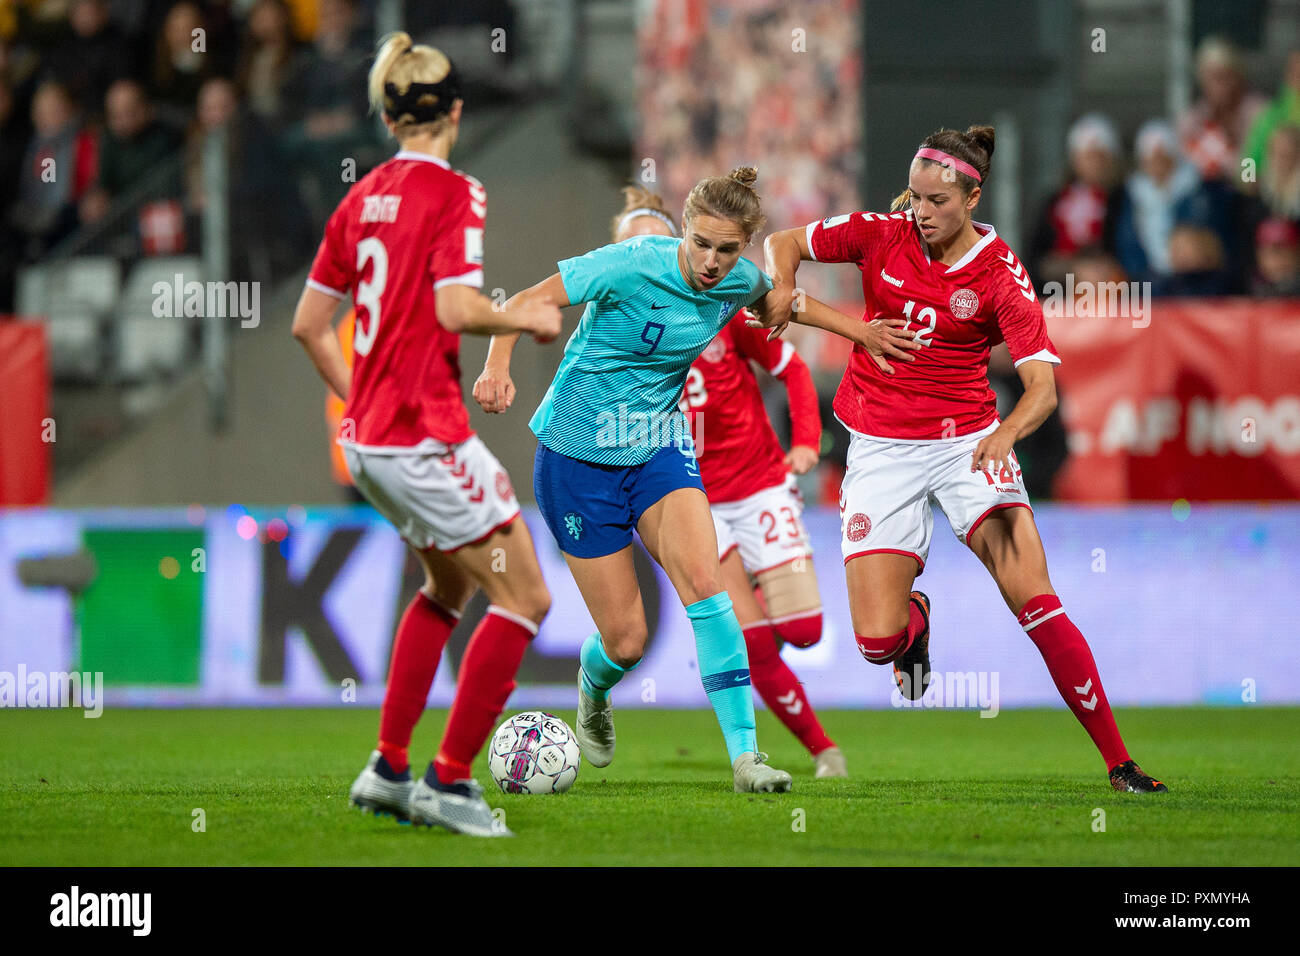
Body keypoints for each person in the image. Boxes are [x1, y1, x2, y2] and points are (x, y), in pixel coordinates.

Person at [760, 125, 1169, 794]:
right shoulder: (878, 231)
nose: (920, 212)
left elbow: (1042, 389)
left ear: (973, 196)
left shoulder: (1000, 271)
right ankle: (914, 623)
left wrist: (1007, 433)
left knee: (1036, 601)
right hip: (882, 446)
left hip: (968, 445)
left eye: (936, 201)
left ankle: (1120, 763)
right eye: (916, 197)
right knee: (873, 643)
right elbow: (785, 243)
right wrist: (781, 281)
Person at [475, 169, 910, 792]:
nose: (711, 262)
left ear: (743, 248)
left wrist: (861, 332)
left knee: (709, 590)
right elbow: (524, 302)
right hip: (576, 459)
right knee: (625, 640)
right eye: (701, 244)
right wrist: (497, 367)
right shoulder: (629, 264)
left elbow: (788, 304)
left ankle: (746, 759)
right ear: (684, 229)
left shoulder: (738, 281)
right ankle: (594, 683)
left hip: (655, 447)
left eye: (727, 249)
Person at [291, 32, 563, 836]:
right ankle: (447, 782)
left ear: (386, 116)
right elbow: (453, 308)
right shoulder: (455, 193)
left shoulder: (360, 195)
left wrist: (361, 401)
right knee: (527, 594)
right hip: (422, 435)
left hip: (369, 440)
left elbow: (310, 325)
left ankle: (388, 767)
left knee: (447, 587)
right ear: (455, 111)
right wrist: (525, 314)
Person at [612, 185, 850, 777]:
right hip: (689, 499)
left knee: (801, 628)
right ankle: (825, 752)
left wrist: (804, 442)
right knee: (751, 643)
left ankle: (766, 575)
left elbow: (791, 369)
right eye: (625, 248)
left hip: (760, 482)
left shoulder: (721, 307)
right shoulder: (610, 328)